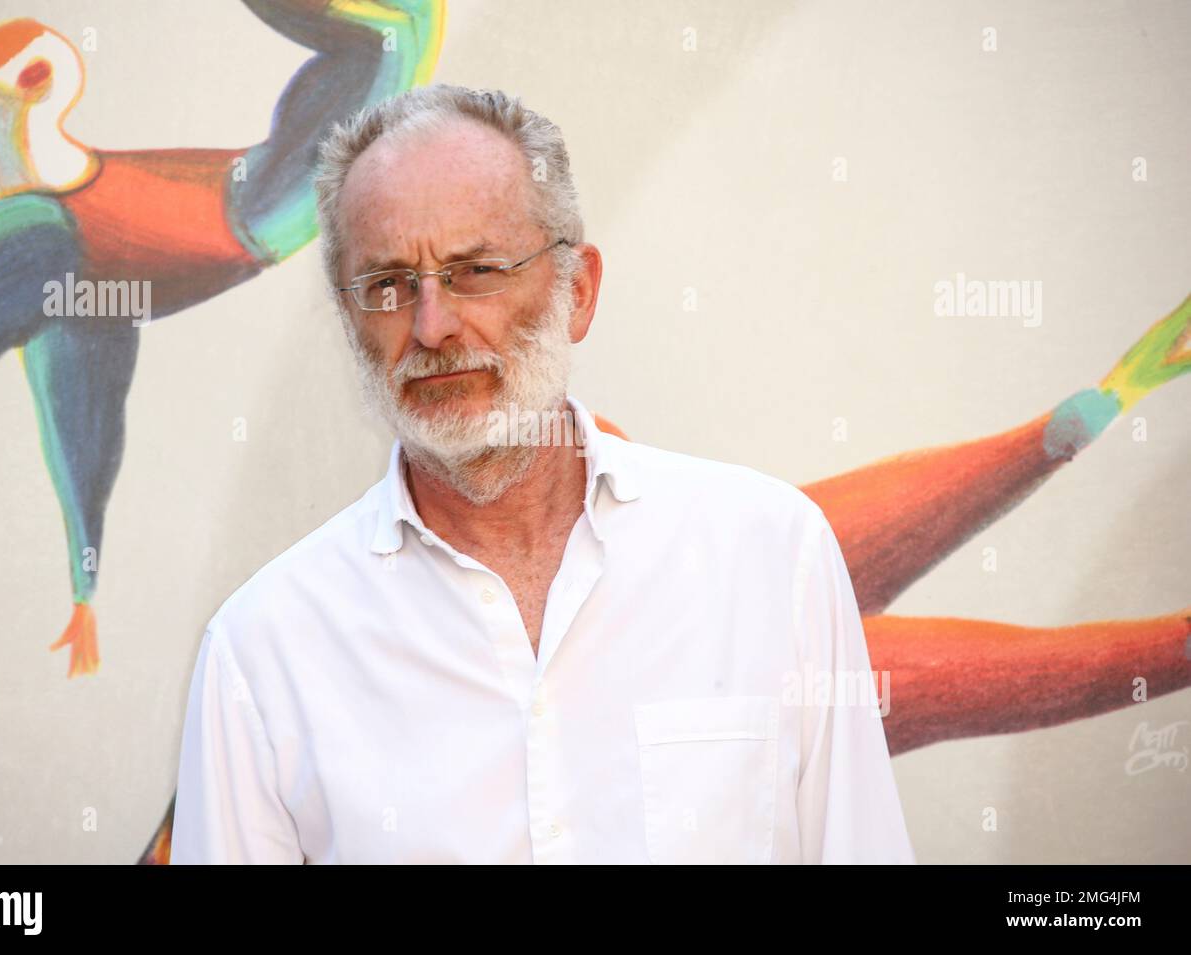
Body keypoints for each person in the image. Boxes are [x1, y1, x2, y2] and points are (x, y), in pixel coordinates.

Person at [170, 83, 915, 864]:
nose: (433, 326)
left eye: (477, 271)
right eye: (389, 284)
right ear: (350, 317)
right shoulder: (264, 648)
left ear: (579, 291)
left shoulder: (770, 555)